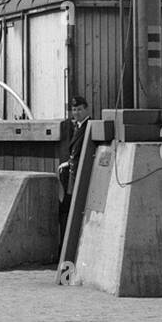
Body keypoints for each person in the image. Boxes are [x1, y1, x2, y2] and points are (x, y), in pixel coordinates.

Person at [57, 95, 92, 231]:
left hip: (81, 175)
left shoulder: (89, 127)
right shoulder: (78, 127)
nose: (76, 113)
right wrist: (67, 163)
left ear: (86, 110)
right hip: (72, 174)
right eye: (74, 110)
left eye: (79, 109)